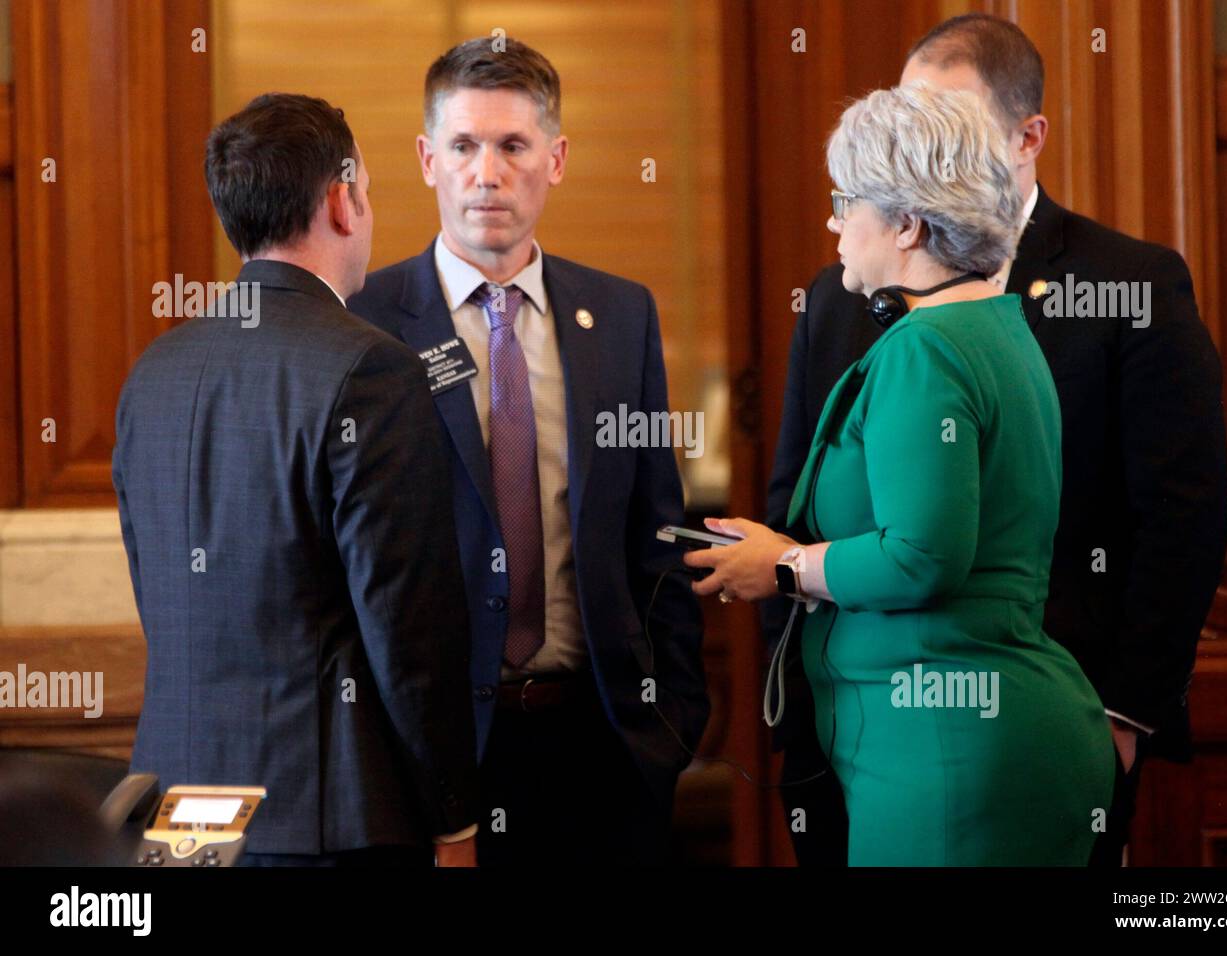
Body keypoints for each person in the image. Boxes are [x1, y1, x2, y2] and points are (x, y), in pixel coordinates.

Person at [763, 13, 1227, 866]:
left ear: (1026, 136)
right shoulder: (837, 295)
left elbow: (1183, 517)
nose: (919, 148)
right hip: (857, 735)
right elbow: (793, 499)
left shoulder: (1128, 282)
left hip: (1024, 729)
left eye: (942, 129)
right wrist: (799, 701)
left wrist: (1126, 717)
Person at [688, 83, 1115, 865]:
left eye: (845, 200)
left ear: (908, 223)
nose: (832, 222)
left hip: (949, 754)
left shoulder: (926, 347)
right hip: (985, 733)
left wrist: (782, 567)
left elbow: (923, 557)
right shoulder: (996, 323)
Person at [347, 37, 710, 865]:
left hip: (601, 743)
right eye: (465, 146)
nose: (488, 173)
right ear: (427, 159)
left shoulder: (621, 316)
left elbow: (657, 529)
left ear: (556, 159)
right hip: (434, 752)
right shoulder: (365, 320)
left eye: (513, 146)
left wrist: (673, 721)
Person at [112, 93, 478, 866]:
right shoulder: (372, 366)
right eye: (369, 191)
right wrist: (455, 819)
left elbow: (162, 596)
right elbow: (409, 628)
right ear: (342, 200)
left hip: (180, 818)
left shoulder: (153, 375)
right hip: (329, 819)